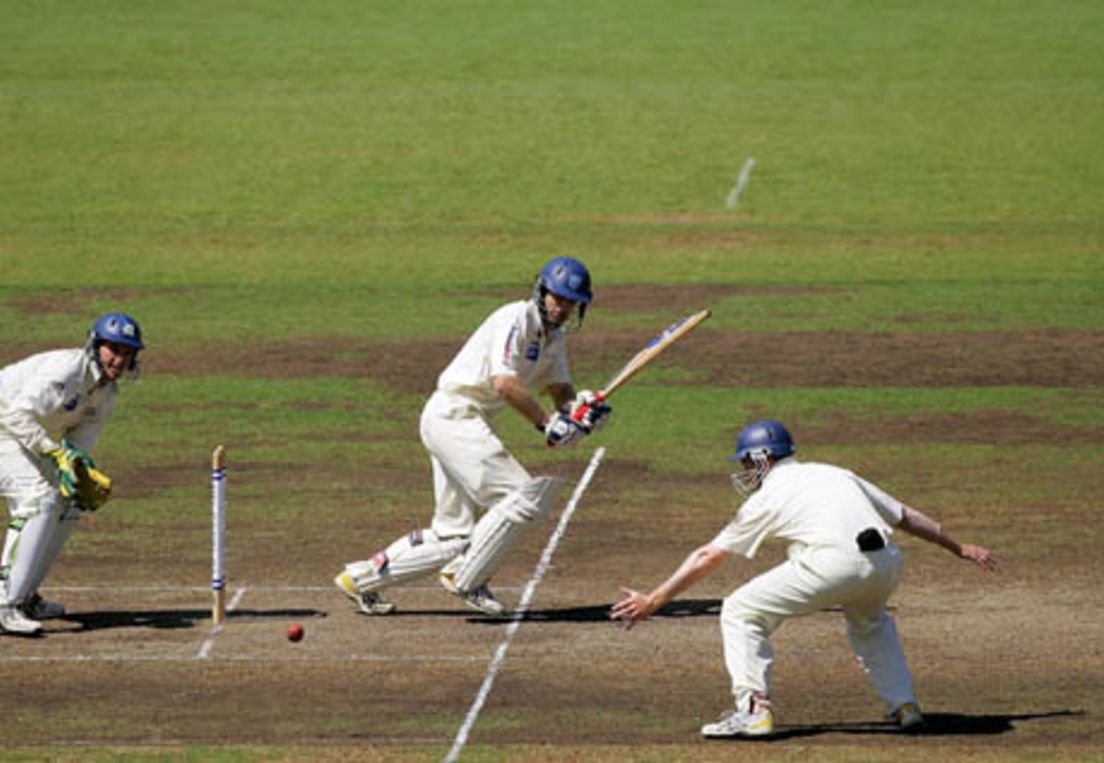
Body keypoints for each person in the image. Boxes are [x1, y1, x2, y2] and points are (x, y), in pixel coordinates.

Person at [610, 419, 998, 738]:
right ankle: (904, 706)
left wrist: (655, 600)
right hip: (885, 563)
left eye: (747, 462)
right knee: (871, 623)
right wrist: (957, 546)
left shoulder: (767, 496)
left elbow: (708, 555)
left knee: (740, 610)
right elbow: (904, 515)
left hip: (834, 563)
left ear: (762, 458)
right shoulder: (836, 473)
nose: (745, 471)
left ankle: (753, 710)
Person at [335, 256, 611, 617]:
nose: (562, 308)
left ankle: (360, 580)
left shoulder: (554, 339)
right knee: (522, 496)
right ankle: (465, 576)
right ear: (541, 292)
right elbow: (504, 383)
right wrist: (547, 424)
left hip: (459, 422)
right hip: (454, 416)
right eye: (558, 298)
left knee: (453, 534)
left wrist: (580, 413)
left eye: (571, 302)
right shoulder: (517, 318)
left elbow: (561, 391)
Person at [0, 312, 145, 635]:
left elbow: (77, 450)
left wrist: (79, 473)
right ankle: (0, 604)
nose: (119, 359)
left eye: (126, 352)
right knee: (37, 497)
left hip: (13, 433)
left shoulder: (106, 396)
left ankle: (24, 596)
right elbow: (18, 416)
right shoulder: (68, 369)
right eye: (113, 350)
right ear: (96, 346)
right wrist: (55, 452)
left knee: (69, 500)